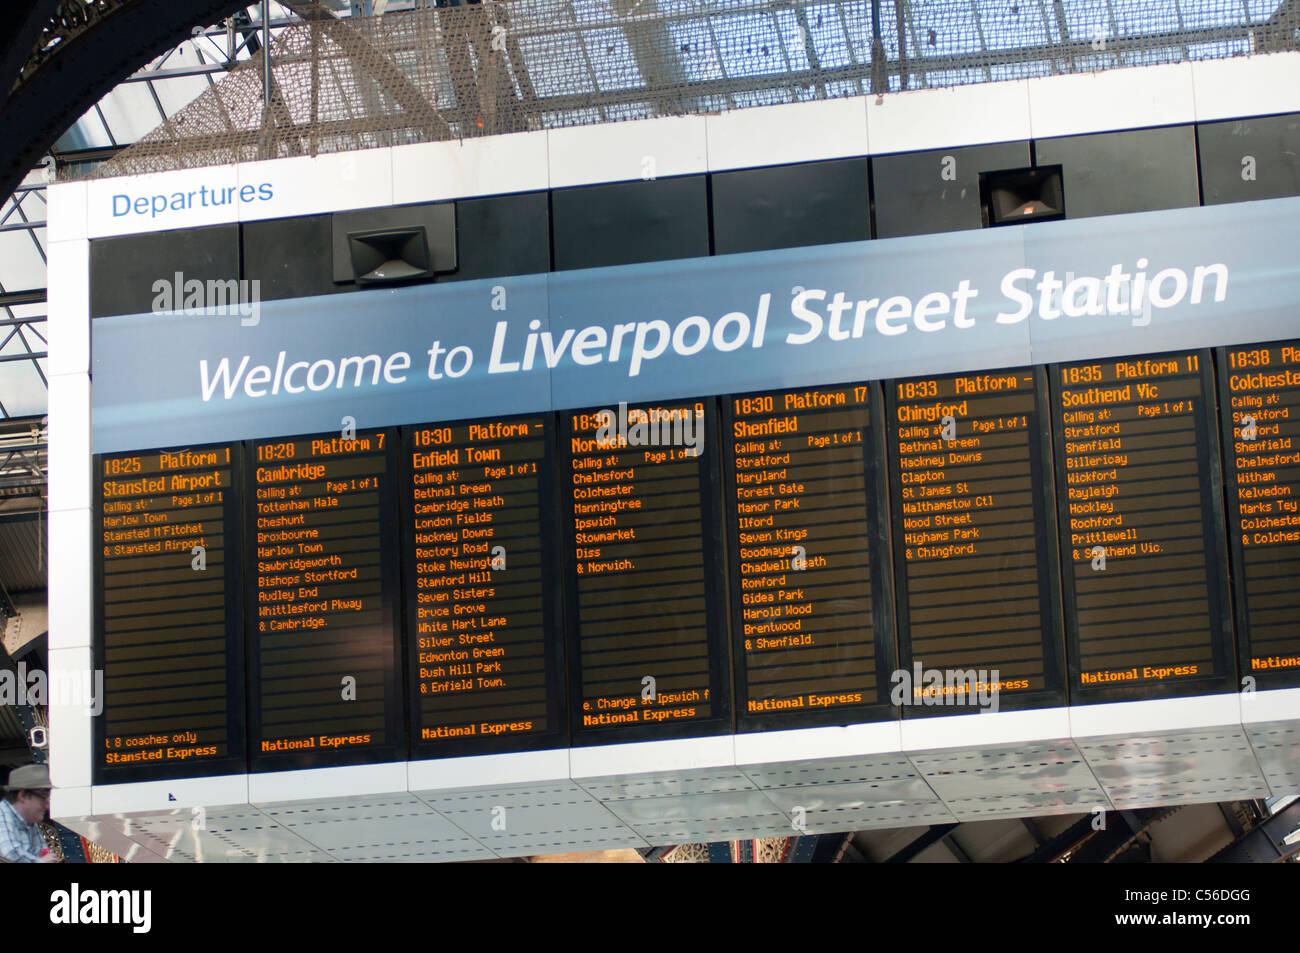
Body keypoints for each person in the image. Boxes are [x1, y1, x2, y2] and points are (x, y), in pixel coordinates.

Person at [0, 764, 60, 863]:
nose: (47, 806)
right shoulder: (2, 815)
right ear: (23, 795)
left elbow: (42, 852)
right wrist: (40, 862)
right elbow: (9, 854)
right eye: (43, 798)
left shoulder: (29, 819)